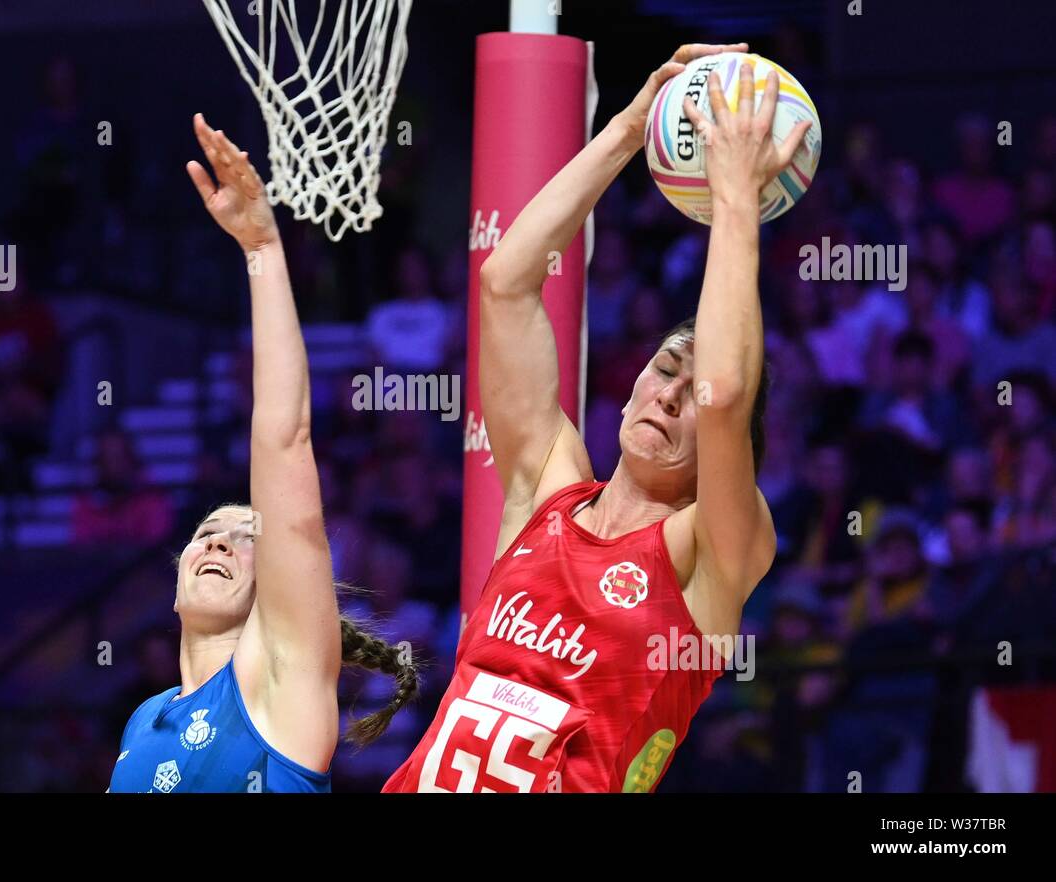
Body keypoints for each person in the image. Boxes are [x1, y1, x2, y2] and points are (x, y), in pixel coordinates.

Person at [384, 43, 809, 792]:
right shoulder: (547, 494)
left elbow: (723, 395)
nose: (671, 395)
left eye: (689, 384)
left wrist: (737, 197)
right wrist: (627, 128)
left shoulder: (706, 551)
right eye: (661, 370)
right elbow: (506, 282)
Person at [108, 116, 416, 793]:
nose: (218, 544)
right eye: (207, 533)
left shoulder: (286, 678)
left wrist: (262, 249)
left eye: (246, 538)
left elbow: (283, 438)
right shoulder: (143, 722)